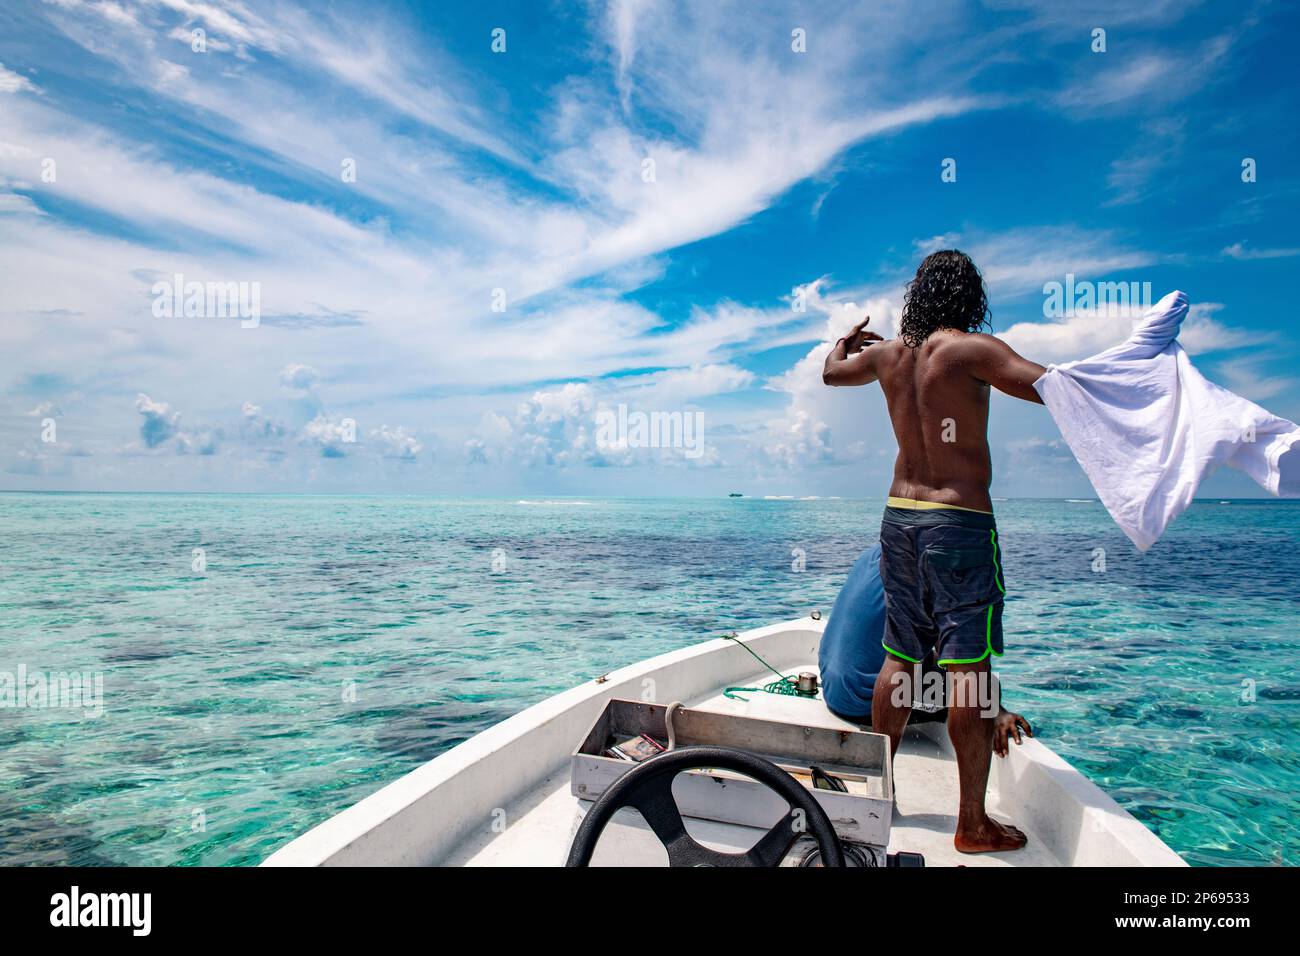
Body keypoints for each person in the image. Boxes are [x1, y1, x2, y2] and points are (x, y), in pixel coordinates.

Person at [822, 249, 1046, 853]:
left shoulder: (888, 356)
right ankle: (972, 824)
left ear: (916, 297)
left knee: (899, 661)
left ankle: (880, 802)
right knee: (969, 676)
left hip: (899, 519)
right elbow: (1053, 389)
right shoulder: (972, 351)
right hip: (958, 523)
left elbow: (830, 373)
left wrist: (844, 341)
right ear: (970, 297)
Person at [818, 542, 1032, 758]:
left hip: (833, 688)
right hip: (862, 704)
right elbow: (955, 656)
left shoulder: (878, 552)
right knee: (985, 686)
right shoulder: (929, 568)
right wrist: (996, 710)